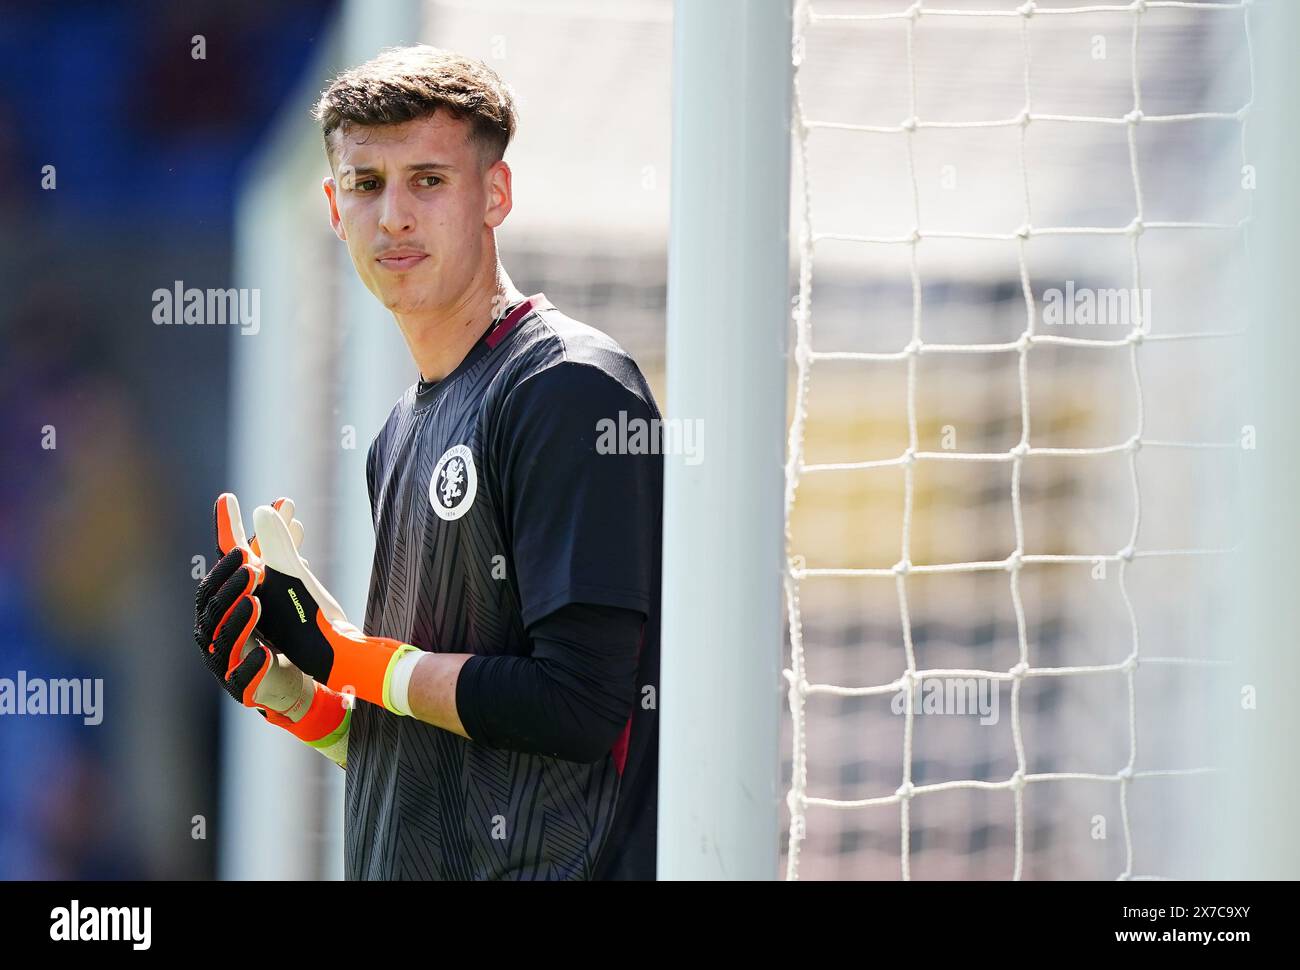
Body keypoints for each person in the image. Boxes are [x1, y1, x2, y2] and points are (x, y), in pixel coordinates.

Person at [193, 45, 661, 881]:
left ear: (497, 194)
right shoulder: (400, 431)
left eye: (429, 180)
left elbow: (580, 708)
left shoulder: (569, 387)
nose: (394, 217)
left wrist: (347, 655)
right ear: (335, 208)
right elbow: (463, 765)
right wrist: (308, 702)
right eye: (368, 185)